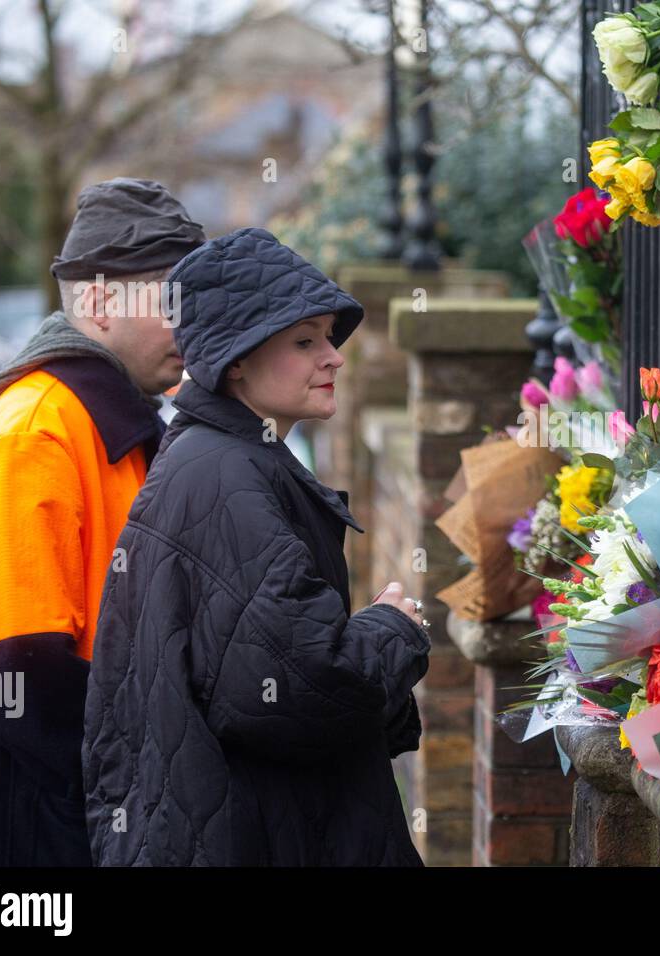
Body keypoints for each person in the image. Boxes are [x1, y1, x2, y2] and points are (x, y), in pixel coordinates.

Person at [82, 227, 430, 866]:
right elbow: (293, 687)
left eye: (328, 336)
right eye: (304, 342)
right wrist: (393, 630)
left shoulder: (232, 459)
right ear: (233, 360)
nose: (334, 357)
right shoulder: (226, 477)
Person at [0, 178, 205, 865]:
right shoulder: (33, 436)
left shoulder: (102, 423)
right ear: (102, 302)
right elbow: (18, 676)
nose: (190, 323)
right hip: (23, 834)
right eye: (171, 299)